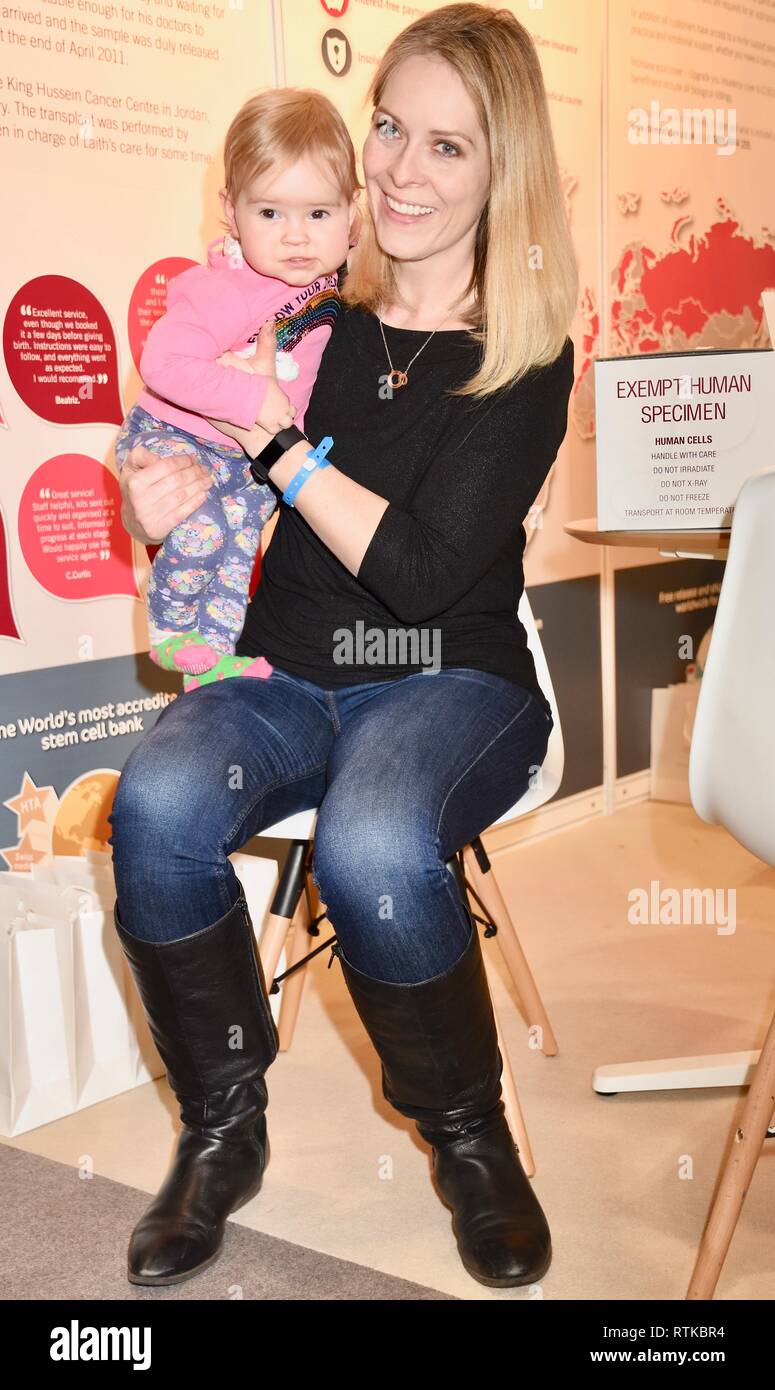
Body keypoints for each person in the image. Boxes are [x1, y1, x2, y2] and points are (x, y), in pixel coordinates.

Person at [109, 1, 578, 1291]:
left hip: (448, 673)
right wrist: (169, 509)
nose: (398, 172)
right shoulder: (308, 313)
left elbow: (425, 571)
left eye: (446, 146)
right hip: (285, 669)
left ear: (502, 171)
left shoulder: (522, 354)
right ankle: (222, 1126)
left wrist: (273, 439)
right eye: (387, 130)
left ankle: (467, 1141)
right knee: (151, 804)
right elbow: (215, 477)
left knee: (375, 837)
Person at [113, 89, 359, 689]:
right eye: (270, 214)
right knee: (206, 532)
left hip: (251, 462)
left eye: (318, 215)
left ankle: (213, 661)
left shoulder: (340, 285)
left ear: (354, 211)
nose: (295, 237)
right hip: (177, 438)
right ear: (230, 210)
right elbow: (164, 360)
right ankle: (172, 636)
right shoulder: (224, 286)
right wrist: (254, 402)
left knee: (239, 542)